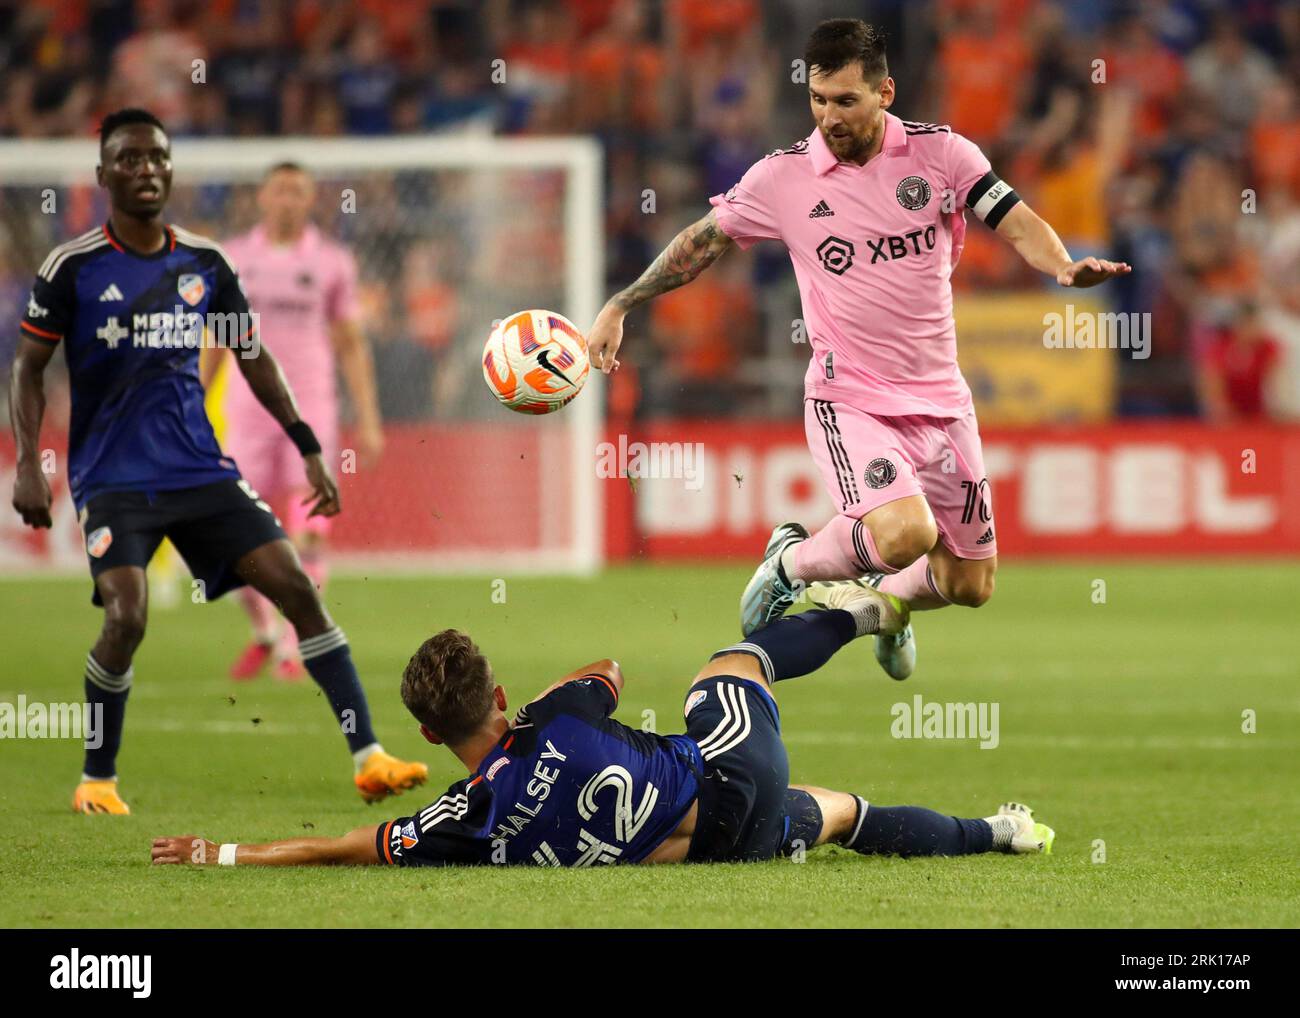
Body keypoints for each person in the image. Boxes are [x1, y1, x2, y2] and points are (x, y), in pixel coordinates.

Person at [584, 19, 1130, 681]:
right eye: (818, 99)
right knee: (906, 535)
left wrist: (1063, 267)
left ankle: (886, 606)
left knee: (970, 583)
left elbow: (1014, 219)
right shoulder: (784, 178)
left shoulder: (943, 157)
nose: (829, 117)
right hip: (851, 400)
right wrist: (622, 303)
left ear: (886, 92)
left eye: (845, 101)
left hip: (942, 403)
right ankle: (788, 563)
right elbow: (703, 242)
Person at [9, 108, 426, 814]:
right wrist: (28, 463)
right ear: (104, 174)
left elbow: (251, 356)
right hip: (114, 479)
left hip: (201, 472)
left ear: (172, 171)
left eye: (158, 159)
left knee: (298, 585)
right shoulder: (73, 267)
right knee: (128, 617)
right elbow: (27, 369)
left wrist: (308, 444)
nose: (147, 171)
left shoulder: (205, 263)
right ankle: (98, 778)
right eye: (131, 160)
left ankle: (369, 756)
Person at [151, 578, 1054, 868]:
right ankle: (871, 609)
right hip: (728, 772)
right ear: (499, 696)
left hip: (718, 847)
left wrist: (226, 855)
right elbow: (611, 673)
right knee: (730, 665)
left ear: (429, 737)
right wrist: (547, 700)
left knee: (847, 814)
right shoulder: (552, 716)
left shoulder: (465, 823)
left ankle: (1002, 835)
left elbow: (347, 844)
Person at [208, 162, 383, 680]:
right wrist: (191, 403)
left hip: (310, 410)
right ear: (262, 196)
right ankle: (265, 631)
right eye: (279, 189)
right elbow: (218, 338)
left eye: (298, 191)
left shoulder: (332, 262)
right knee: (232, 535)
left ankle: (294, 645)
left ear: (310, 201)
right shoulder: (234, 259)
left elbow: (351, 342)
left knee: (308, 533)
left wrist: (369, 419)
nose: (287, 199)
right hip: (248, 410)